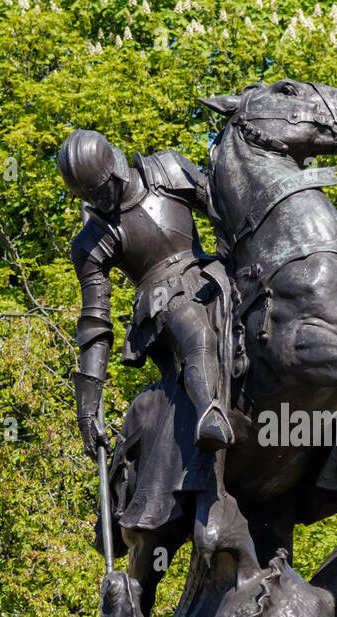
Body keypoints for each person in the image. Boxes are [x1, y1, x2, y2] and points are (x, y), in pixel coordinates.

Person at [58, 128, 234, 458]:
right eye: (90, 198)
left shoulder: (168, 169)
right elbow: (95, 325)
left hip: (209, 272)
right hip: (161, 299)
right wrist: (87, 410)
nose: (98, 202)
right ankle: (209, 414)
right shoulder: (91, 242)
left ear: (115, 169)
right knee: (197, 334)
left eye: (101, 191)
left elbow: (219, 207)